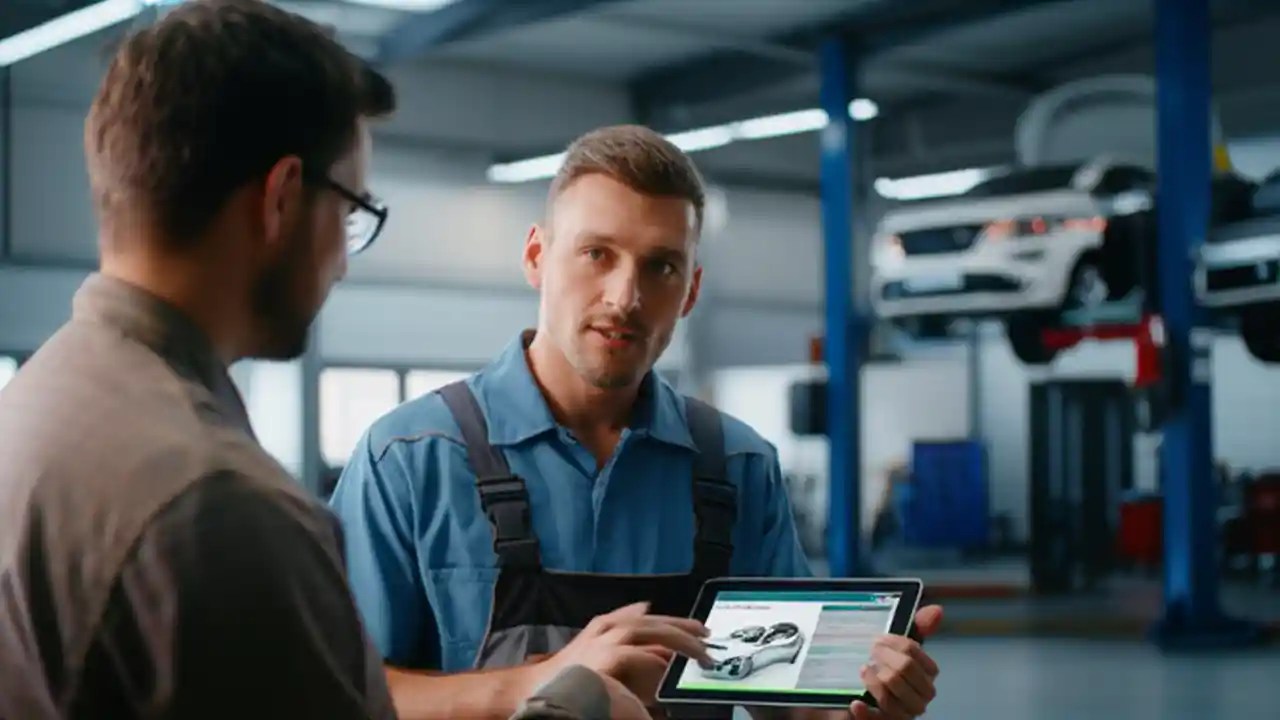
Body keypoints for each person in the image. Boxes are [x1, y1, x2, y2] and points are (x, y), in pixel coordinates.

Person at [0, 2, 626, 719]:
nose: (341, 263)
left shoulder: (31, 412)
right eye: (351, 210)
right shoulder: (219, 506)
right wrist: (572, 701)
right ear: (282, 198)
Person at [329, 124, 945, 720]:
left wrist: (856, 707)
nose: (625, 297)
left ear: (692, 291)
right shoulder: (409, 459)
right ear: (537, 256)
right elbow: (337, 691)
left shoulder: (737, 466)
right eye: (597, 254)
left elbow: (785, 703)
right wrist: (546, 683)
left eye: (662, 267)